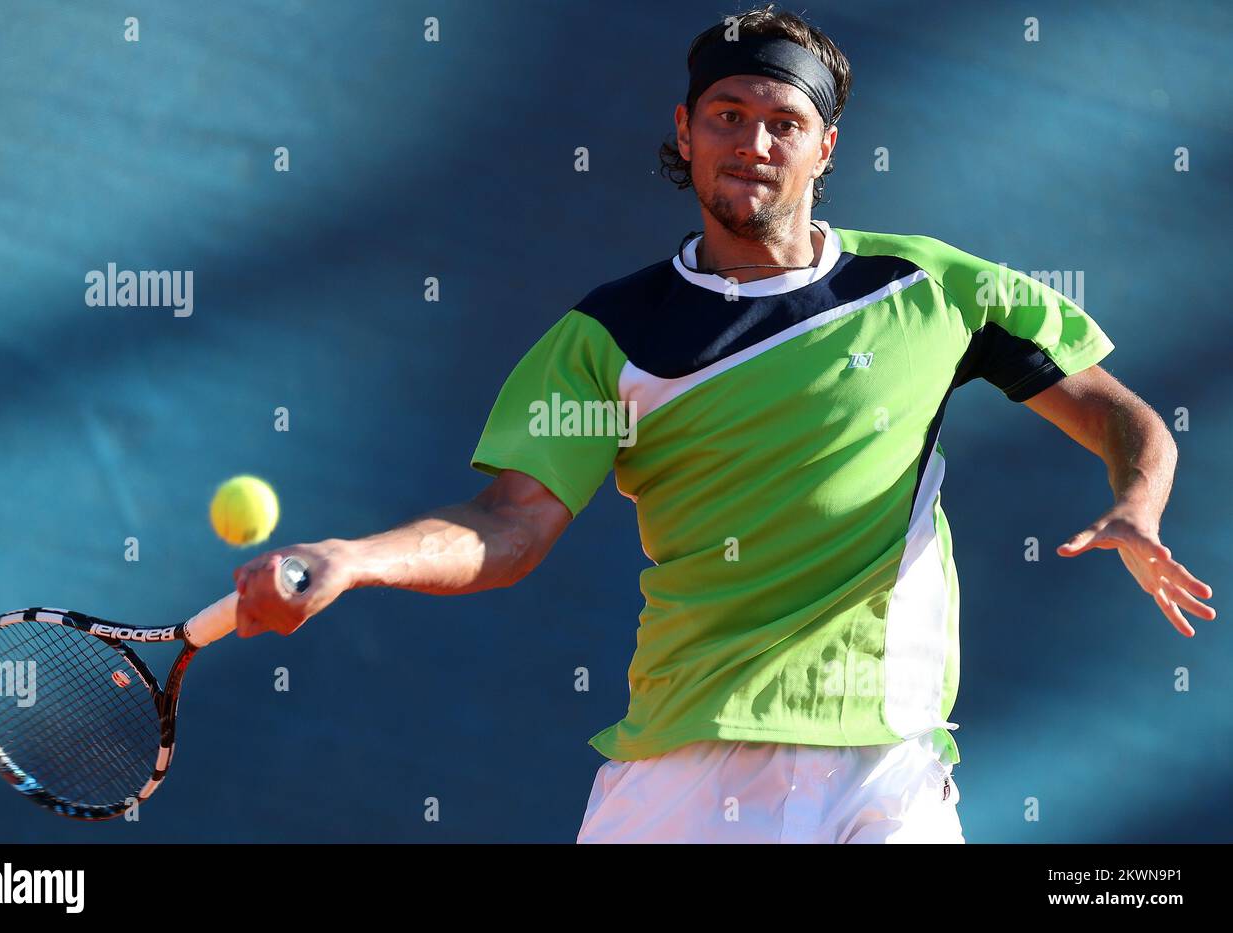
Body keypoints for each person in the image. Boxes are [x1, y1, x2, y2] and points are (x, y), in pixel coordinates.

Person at [231, 4, 1215, 843]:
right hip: (684, 763)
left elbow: (1120, 415)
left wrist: (1136, 503)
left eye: (782, 122)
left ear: (824, 147)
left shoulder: (928, 288)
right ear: (685, 130)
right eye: (727, 115)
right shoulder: (607, 336)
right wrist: (357, 558)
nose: (752, 142)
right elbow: (509, 526)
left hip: (886, 760)